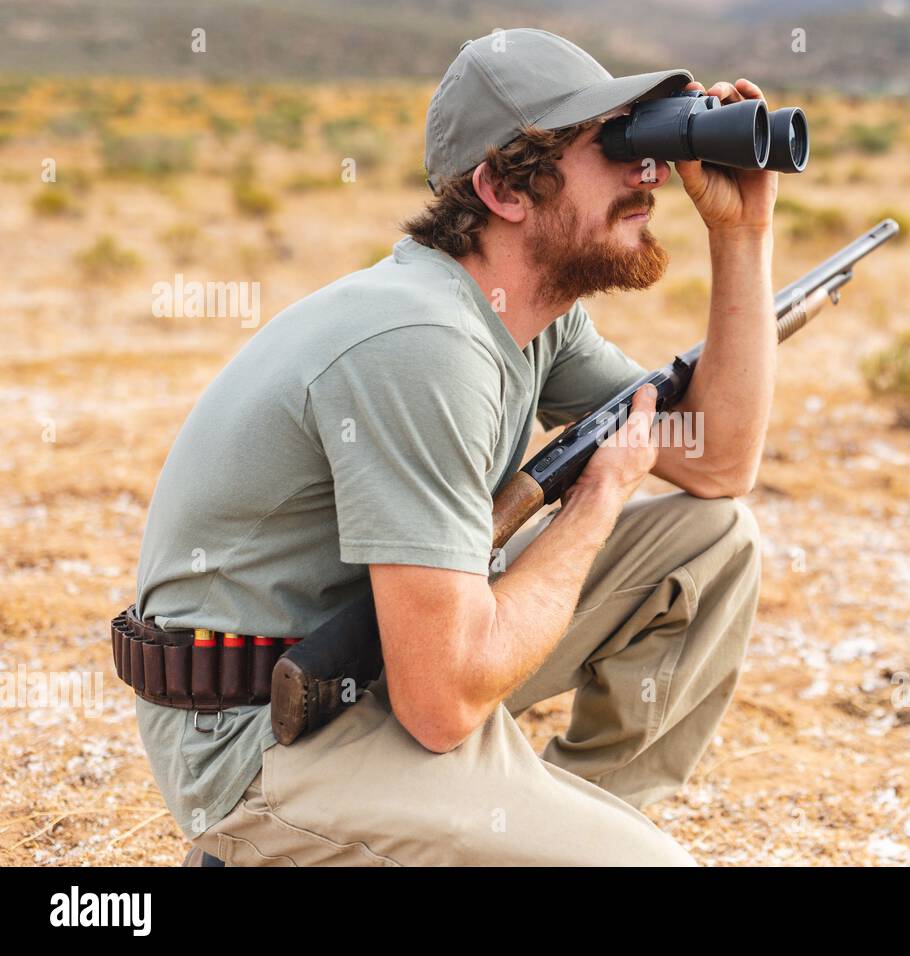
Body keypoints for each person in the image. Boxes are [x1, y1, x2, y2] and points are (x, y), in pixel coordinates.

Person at [130, 27, 777, 865]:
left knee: (709, 541)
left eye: (650, 138)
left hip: (381, 673)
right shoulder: (420, 341)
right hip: (270, 739)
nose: (650, 171)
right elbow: (441, 701)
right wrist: (598, 500)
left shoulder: (527, 317)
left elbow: (718, 460)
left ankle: (570, 822)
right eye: (616, 145)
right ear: (504, 190)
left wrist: (743, 234)